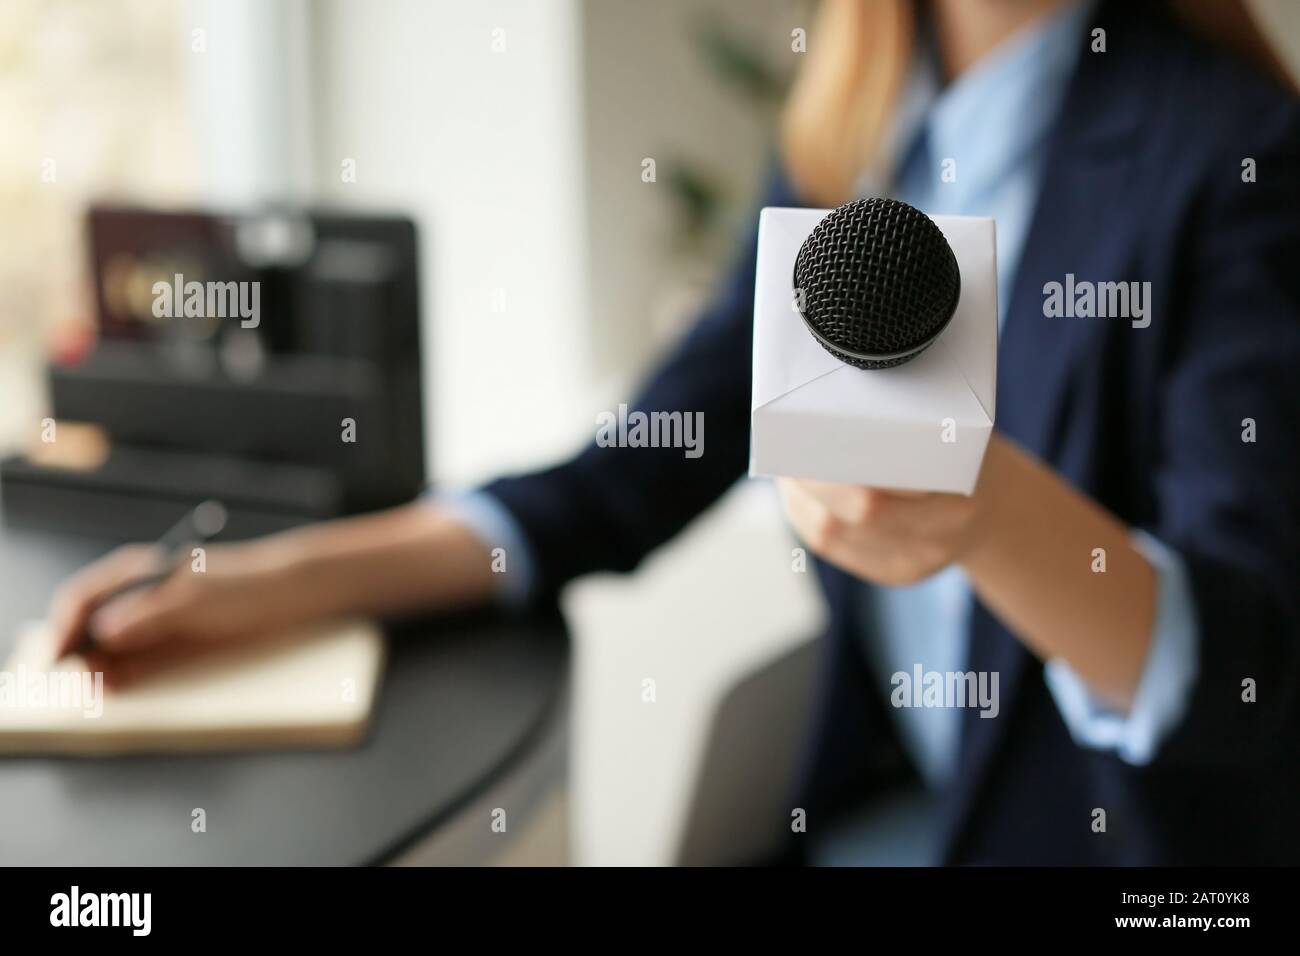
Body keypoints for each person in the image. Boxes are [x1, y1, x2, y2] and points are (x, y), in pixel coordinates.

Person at [49, 0, 1300, 864]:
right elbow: (642, 462)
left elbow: (1239, 665)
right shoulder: (851, 126)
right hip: (889, 803)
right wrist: (284, 581)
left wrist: (981, 506)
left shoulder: (1235, 150)